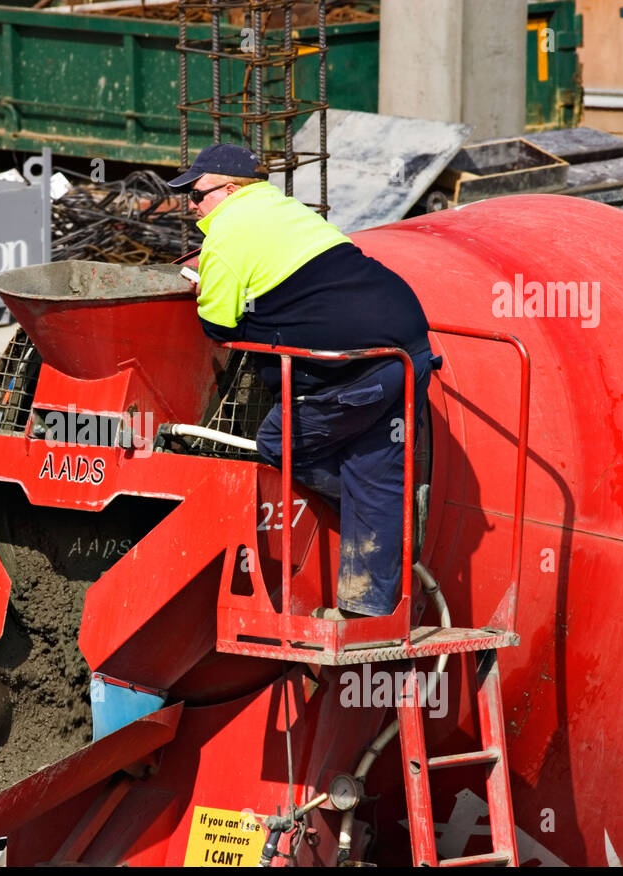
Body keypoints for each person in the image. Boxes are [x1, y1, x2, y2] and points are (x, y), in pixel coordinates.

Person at [168, 143, 440, 620]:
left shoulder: (227, 232)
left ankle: (377, 511)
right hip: (410, 350)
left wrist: (215, 291)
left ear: (229, 190)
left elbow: (217, 324)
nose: (192, 207)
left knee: (280, 443)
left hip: (352, 369)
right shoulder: (288, 210)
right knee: (371, 467)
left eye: (196, 194)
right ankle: (367, 605)